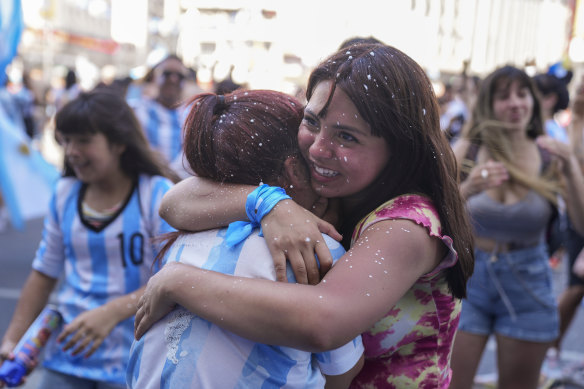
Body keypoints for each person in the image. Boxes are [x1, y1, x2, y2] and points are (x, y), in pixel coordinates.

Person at [135, 43, 475, 388]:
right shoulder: (337, 188)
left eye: (346, 136)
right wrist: (266, 202)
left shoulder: (407, 224)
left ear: (399, 148)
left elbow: (322, 322)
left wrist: (178, 281)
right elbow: (175, 202)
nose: (317, 147)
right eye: (312, 121)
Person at [126, 89, 364, 389]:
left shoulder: (190, 234)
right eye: (313, 159)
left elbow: (173, 202)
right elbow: (341, 376)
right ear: (295, 170)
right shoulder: (316, 250)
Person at [0, 88, 177, 389]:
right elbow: (44, 273)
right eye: (66, 140)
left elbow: (175, 278)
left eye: (84, 140)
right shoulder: (65, 193)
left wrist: (111, 312)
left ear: (119, 142)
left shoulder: (155, 193)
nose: (71, 151)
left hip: (133, 363)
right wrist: (12, 342)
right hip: (65, 358)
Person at [449, 65, 584, 389]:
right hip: (469, 280)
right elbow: (433, 217)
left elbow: (581, 224)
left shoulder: (550, 154)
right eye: (503, 96)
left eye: (522, 94)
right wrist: (467, 191)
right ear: (488, 105)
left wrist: (571, 166)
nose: (515, 104)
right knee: (450, 384)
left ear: (534, 102)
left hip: (528, 280)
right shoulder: (470, 149)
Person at [129, 55, 192, 179]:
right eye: (167, 74)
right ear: (155, 78)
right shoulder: (137, 111)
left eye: (179, 76)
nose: (173, 79)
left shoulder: (192, 116)